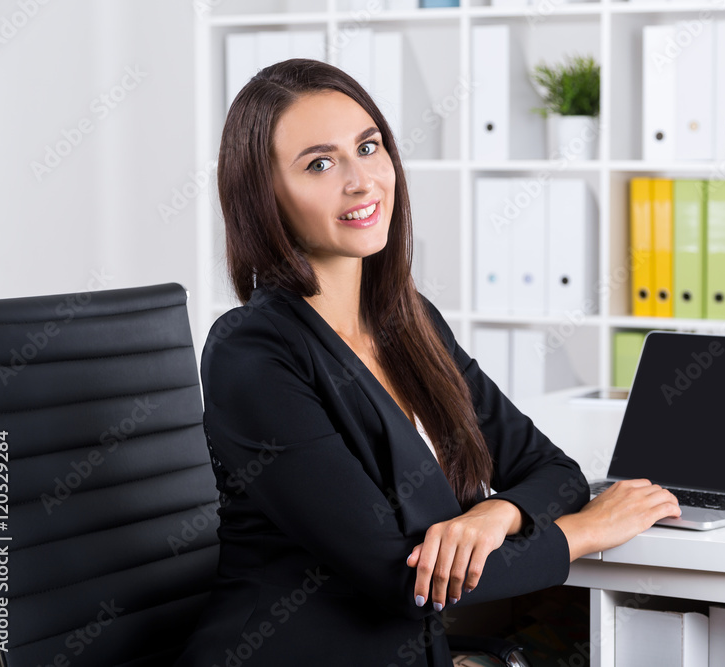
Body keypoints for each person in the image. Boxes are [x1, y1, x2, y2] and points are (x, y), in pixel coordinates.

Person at [173, 58, 680, 666]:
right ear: (263, 197)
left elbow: (551, 469)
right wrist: (586, 532)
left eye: (369, 147)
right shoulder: (252, 355)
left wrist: (497, 513)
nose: (362, 181)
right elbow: (400, 577)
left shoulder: (406, 320)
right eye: (320, 163)